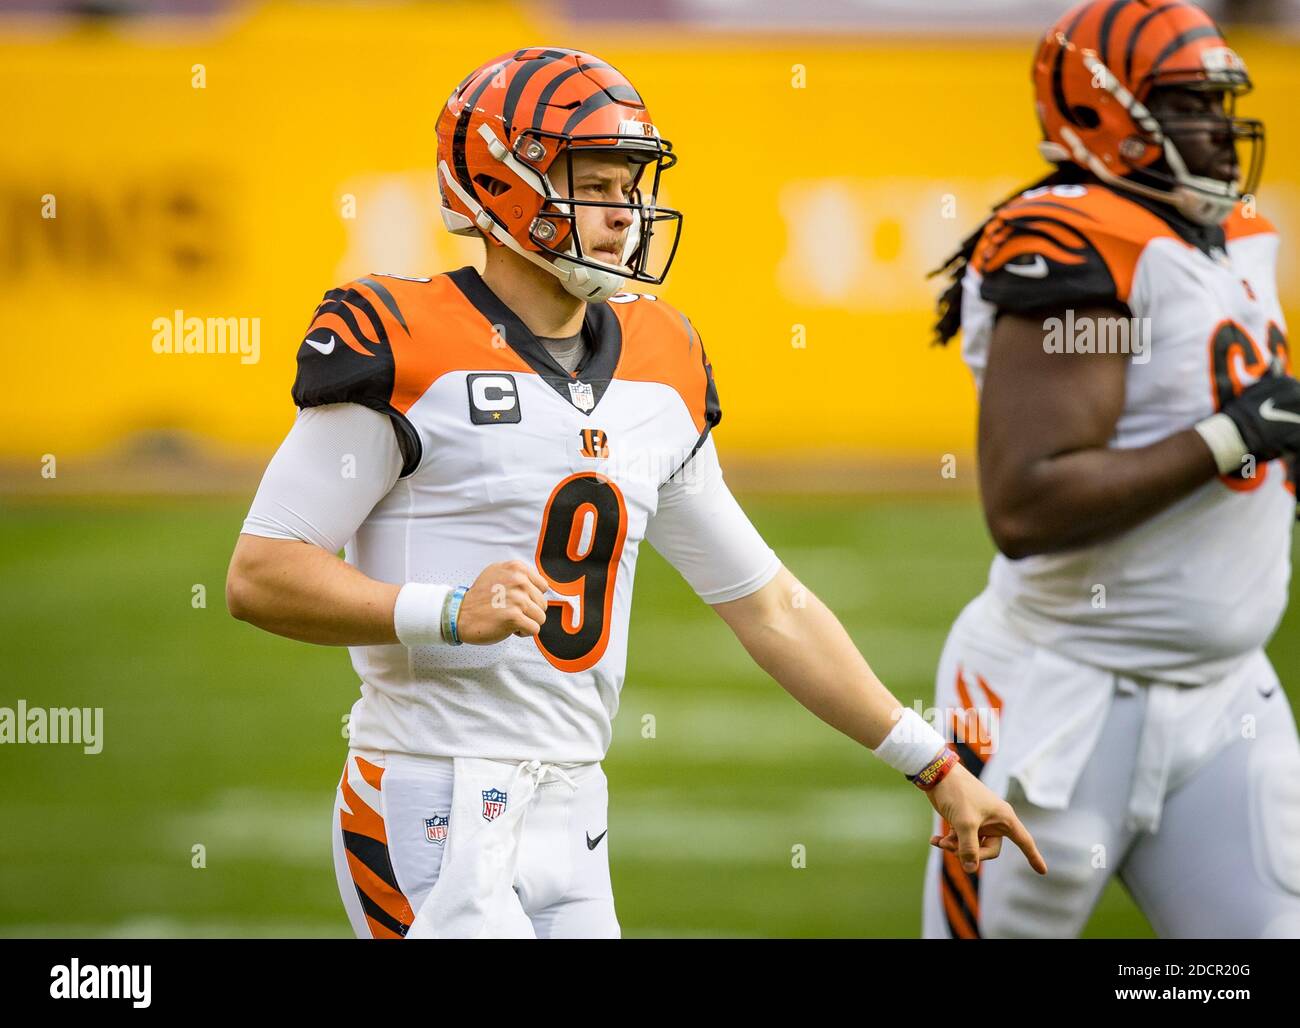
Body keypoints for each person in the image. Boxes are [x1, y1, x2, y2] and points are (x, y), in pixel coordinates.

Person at [227, 46, 1043, 939]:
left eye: (630, 186)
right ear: (504, 183)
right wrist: (446, 609)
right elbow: (261, 574)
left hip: (575, 808)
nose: (625, 213)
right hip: (430, 794)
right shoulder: (406, 339)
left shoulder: (659, 360)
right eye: (596, 183)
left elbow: (767, 604)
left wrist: (936, 765)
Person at [925, 0, 1300, 938]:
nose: (1219, 128)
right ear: (1104, 113)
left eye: (1219, 102)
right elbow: (1028, 501)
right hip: (1057, 696)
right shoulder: (1077, 240)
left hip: (1227, 695)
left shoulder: (1233, 237)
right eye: (1186, 105)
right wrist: (1234, 436)